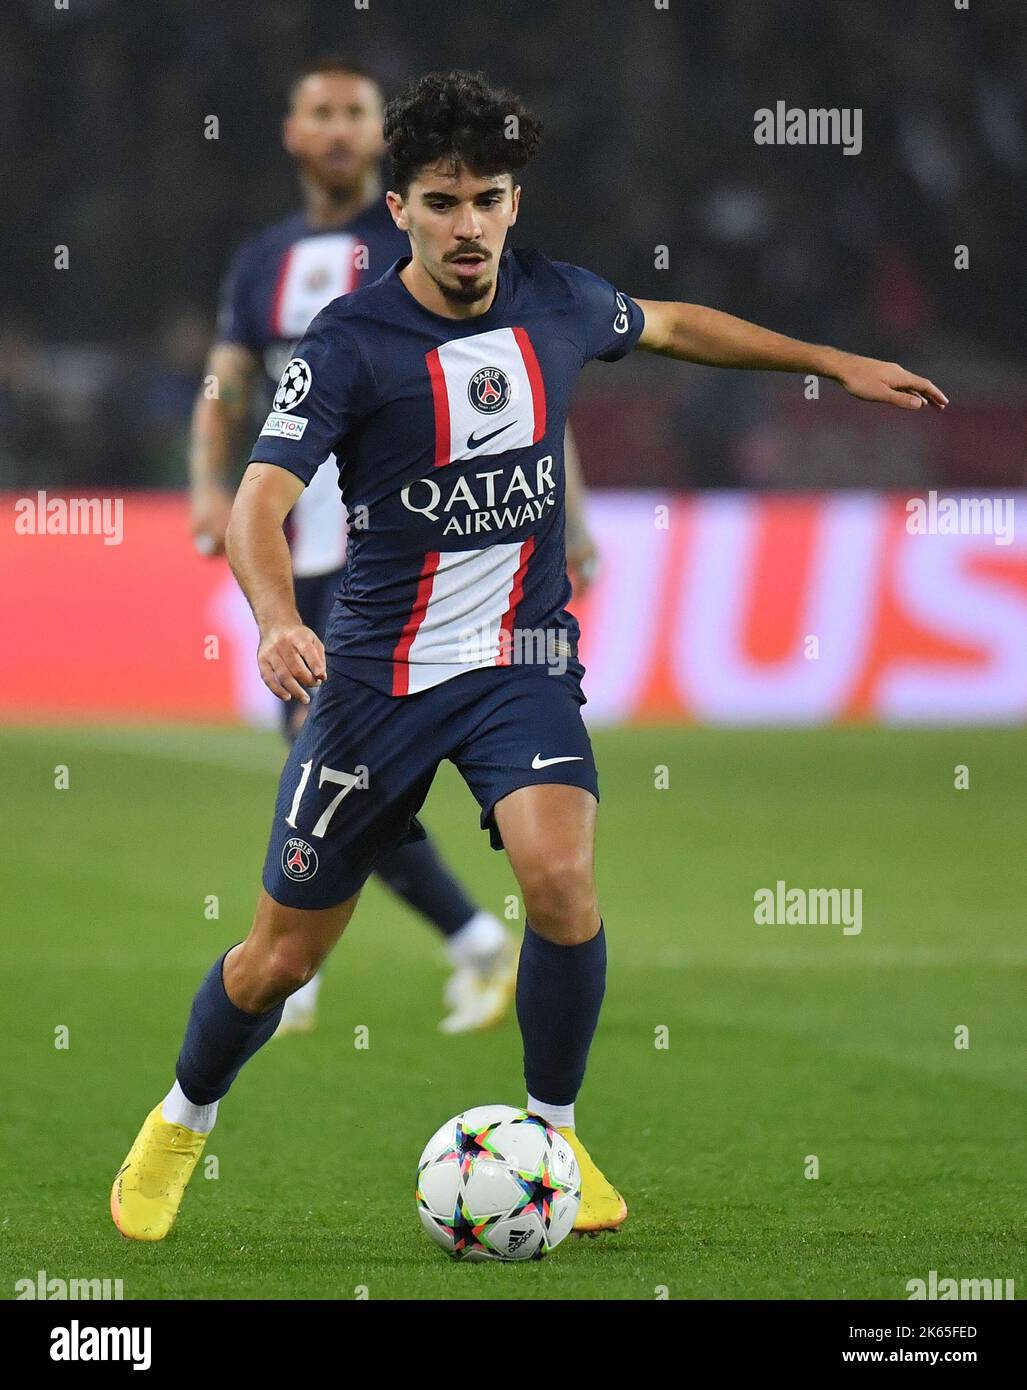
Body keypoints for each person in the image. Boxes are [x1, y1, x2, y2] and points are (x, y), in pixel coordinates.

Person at [113, 69, 946, 1246]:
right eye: (444, 201)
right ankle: (181, 1120)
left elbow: (675, 326)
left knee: (560, 886)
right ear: (397, 208)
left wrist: (832, 359)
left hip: (520, 660)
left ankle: (551, 1135)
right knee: (277, 960)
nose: (470, 225)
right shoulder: (349, 344)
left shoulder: (558, 300)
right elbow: (260, 503)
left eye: (489, 199)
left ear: (513, 202)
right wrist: (274, 619)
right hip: (375, 681)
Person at [187, 56, 594, 1036]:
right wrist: (210, 483)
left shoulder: (430, 234)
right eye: (318, 113)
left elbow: (530, 385)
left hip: (400, 558)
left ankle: (403, 947)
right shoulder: (264, 262)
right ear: (292, 133)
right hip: (303, 550)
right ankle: (425, 943)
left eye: (353, 114)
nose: (335, 130)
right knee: (333, 760)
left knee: (334, 759)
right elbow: (226, 381)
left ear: (381, 141)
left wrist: (569, 517)